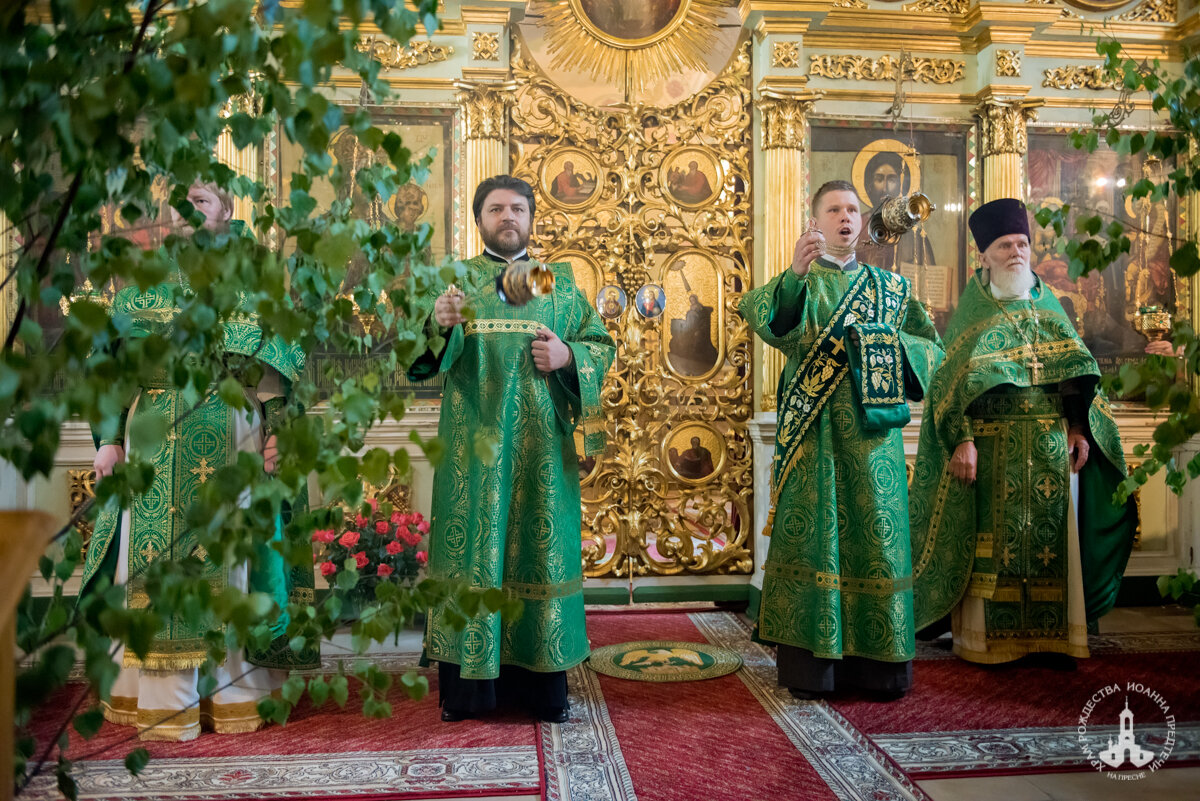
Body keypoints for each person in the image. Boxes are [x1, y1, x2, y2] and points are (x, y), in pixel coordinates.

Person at [79, 182, 309, 741]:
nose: (186, 212)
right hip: (153, 435)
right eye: (178, 204)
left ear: (226, 211)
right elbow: (108, 369)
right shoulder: (140, 288)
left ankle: (232, 694)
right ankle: (161, 700)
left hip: (231, 428)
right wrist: (108, 439)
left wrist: (280, 433)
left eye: (201, 201)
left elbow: (276, 369)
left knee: (230, 557)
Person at [410, 175, 615, 723]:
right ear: (478, 219)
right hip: (472, 453)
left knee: (538, 552)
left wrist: (569, 355)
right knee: (474, 553)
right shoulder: (454, 283)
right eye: (496, 208)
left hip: (541, 451)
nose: (507, 216)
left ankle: (542, 689)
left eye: (517, 208)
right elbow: (417, 359)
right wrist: (435, 323)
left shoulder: (557, 282)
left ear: (530, 219)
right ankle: (467, 692)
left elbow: (599, 344)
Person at [908, 198, 1138, 667]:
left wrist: (1078, 427)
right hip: (991, 448)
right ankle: (988, 643)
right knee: (995, 548)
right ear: (984, 255)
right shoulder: (974, 308)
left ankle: (1054, 641)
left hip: (1050, 445)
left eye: (1022, 243)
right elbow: (948, 385)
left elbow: (1077, 376)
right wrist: (963, 439)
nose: (1017, 252)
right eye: (1005, 245)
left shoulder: (1048, 303)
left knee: (1049, 543)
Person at [739, 180, 943, 700]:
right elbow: (773, 325)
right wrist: (795, 274)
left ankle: (878, 669)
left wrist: (885, 345)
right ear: (816, 221)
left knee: (873, 538)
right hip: (813, 437)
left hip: (873, 440)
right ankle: (813, 669)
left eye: (852, 209)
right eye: (834, 210)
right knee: (816, 540)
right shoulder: (797, 282)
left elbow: (931, 351)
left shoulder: (891, 290)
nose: (845, 217)